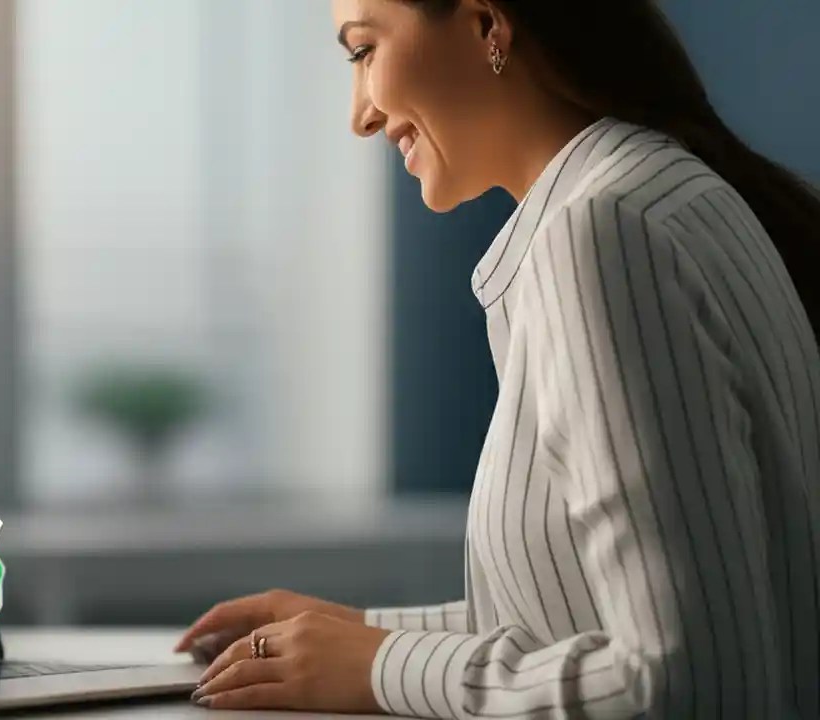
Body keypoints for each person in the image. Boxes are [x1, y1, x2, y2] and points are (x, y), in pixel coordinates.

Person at [175, 0, 820, 716]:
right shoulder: (665, 194)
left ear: (486, 26)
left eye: (363, 52)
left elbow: (676, 682)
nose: (359, 115)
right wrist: (352, 635)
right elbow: (590, 622)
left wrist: (380, 665)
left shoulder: (600, 233)